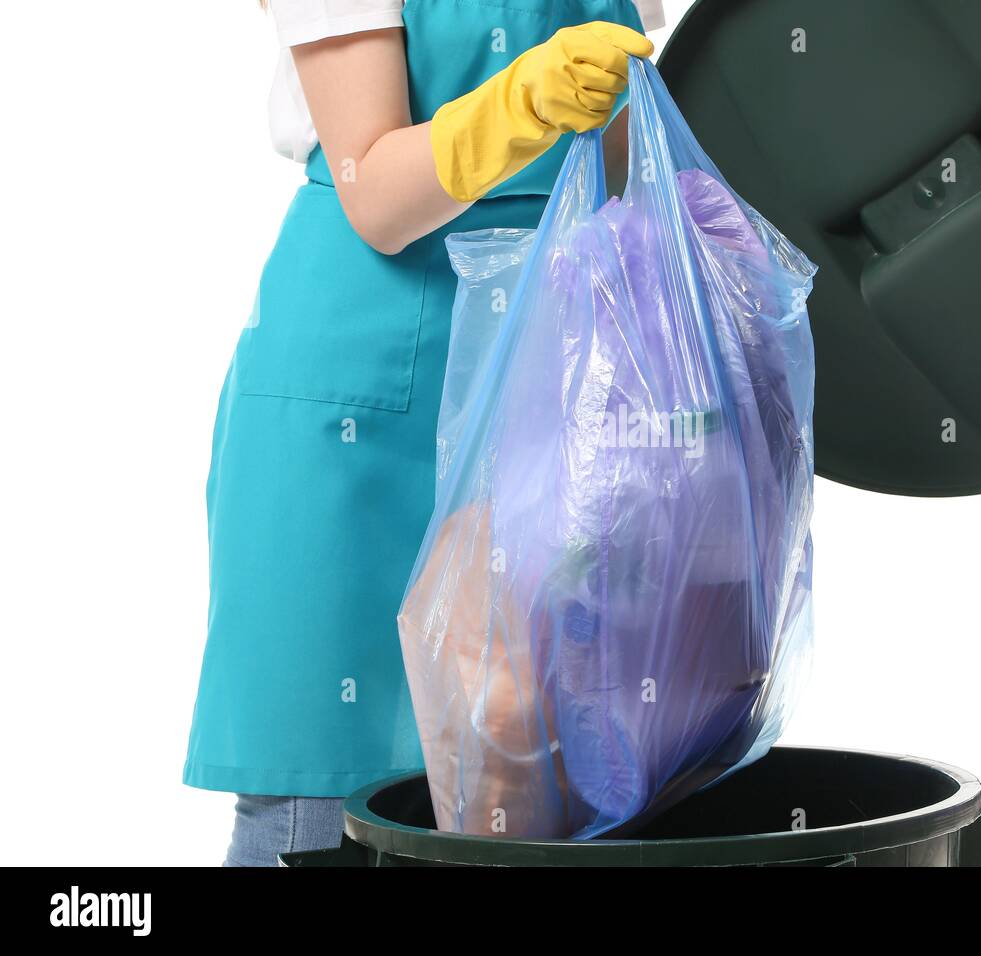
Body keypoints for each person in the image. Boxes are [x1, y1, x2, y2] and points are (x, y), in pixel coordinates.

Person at [184, 0, 654, 867]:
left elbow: (624, 144)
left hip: (547, 366)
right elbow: (378, 193)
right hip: (365, 389)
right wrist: (524, 99)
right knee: (321, 804)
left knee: (530, 789)